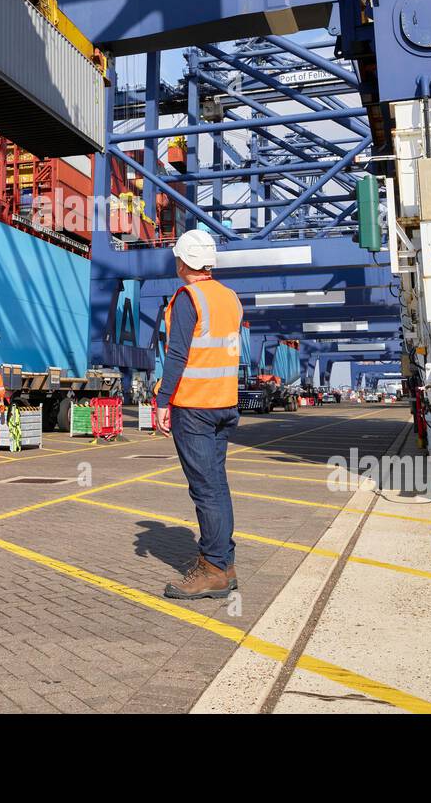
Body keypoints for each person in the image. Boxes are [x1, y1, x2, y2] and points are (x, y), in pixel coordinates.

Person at [155, 229, 243, 599]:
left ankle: (213, 569)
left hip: (194, 406)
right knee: (217, 486)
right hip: (224, 404)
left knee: (205, 489)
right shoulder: (230, 298)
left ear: (184, 262)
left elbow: (177, 355)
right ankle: (225, 561)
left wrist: (162, 401)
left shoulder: (188, 298)